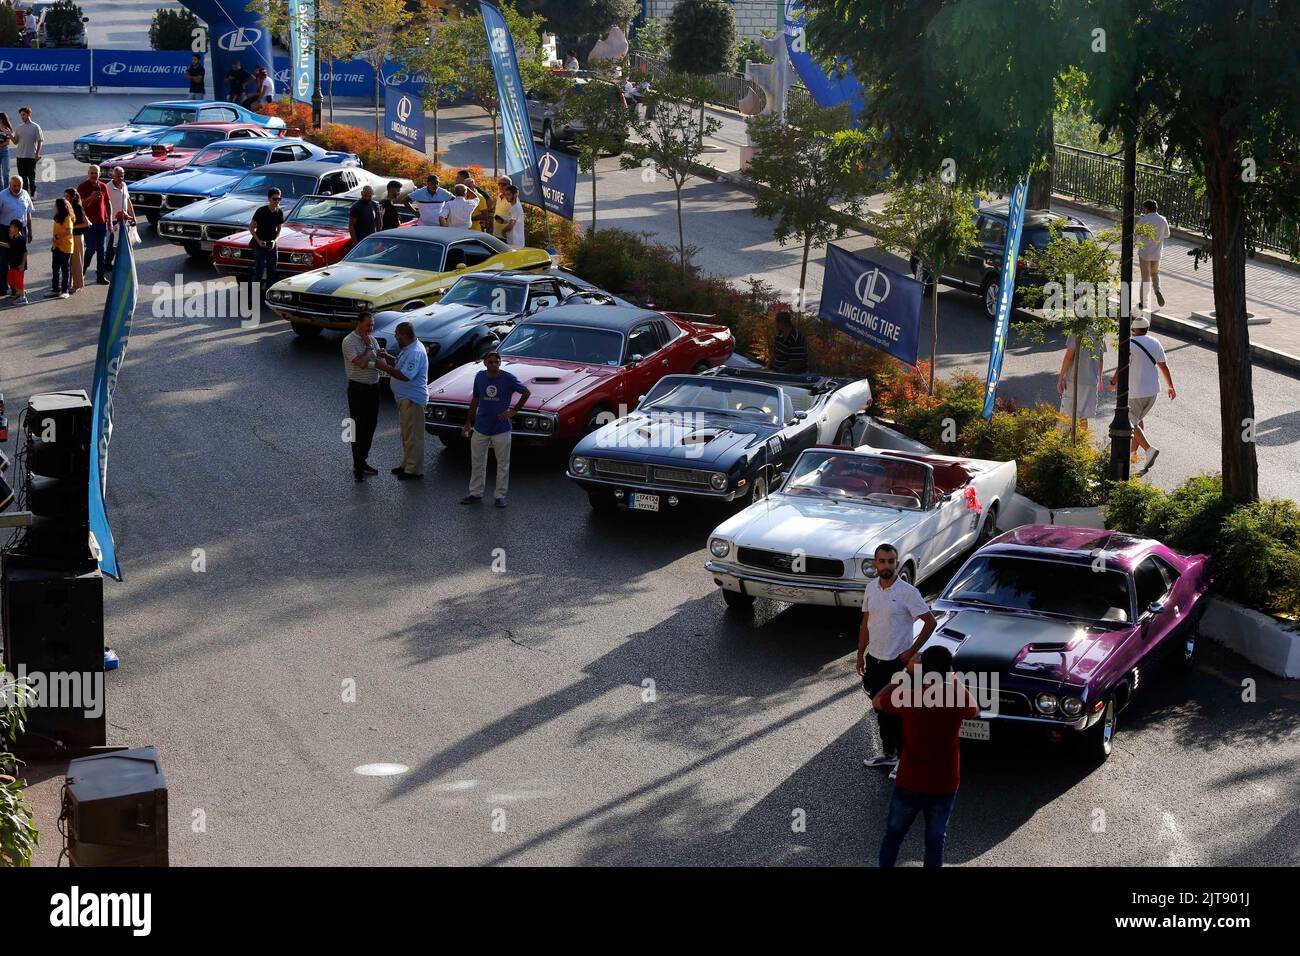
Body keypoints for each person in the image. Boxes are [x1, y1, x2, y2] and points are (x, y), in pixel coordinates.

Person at [872, 645, 978, 868]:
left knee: (894, 835)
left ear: (923, 668)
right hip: (944, 782)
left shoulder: (908, 695)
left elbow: (877, 701)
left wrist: (904, 674)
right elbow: (974, 709)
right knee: (935, 840)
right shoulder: (956, 698)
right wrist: (953, 676)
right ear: (948, 669)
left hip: (909, 780)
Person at [856, 543, 938, 777]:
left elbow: (929, 622)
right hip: (875, 659)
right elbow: (866, 624)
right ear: (875, 564)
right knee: (881, 709)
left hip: (897, 662)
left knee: (901, 713)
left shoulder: (908, 593)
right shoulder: (871, 588)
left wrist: (911, 652)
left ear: (896, 562)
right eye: (882, 561)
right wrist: (861, 654)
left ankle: (905, 759)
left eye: (891, 561)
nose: (887, 566)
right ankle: (889, 754)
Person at [460, 350, 530, 508]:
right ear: (485, 363)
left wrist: (513, 411)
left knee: (502, 464)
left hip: (501, 429)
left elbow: (525, 392)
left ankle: (500, 496)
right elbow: (475, 399)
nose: (493, 365)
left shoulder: (508, 378)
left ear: (500, 363)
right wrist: (468, 422)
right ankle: (475, 493)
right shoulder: (479, 376)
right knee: (477, 462)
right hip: (481, 427)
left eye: (496, 362)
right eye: (490, 362)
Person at [1109, 314, 1176, 472]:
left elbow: (1122, 367)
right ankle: (1132, 453)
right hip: (1152, 392)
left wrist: (1113, 382)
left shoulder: (1129, 343)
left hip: (1135, 392)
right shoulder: (1155, 342)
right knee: (1137, 421)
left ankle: (1149, 450)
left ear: (1133, 329)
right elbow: (1163, 366)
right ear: (1147, 329)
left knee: (1130, 422)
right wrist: (1171, 386)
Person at [375, 322, 428, 480]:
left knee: (413, 436)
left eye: (397, 334)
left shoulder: (415, 352)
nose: (395, 337)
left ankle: (413, 470)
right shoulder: (408, 349)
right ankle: (407, 464)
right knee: (406, 434)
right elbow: (400, 365)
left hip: (413, 400)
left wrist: (383, 367)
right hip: (404, 399)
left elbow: (405, 375)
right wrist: (388, 358)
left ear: (405, 335)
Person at [341, 312, 382, 482]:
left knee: (371, 425)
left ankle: (362, 459)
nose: (370, 328)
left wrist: (380, 354)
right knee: (357, 427)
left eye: (372, 325)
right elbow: (361, 363)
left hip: (374, 387)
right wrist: (369, 349)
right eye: (368, 325)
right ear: (359, 323)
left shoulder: (371, 339)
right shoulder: (348, 342)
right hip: (358, 388)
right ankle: (358, 466)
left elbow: (378, 359)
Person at [1057, 327, 1105, 424]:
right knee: (1083, 418)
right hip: (1091, 381)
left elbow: (1069, 357)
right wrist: (1099, 380)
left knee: (1066, 417)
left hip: (1074, 381)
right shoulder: (1099, 330)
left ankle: (1064, 439)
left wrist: (1060, 378)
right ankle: (1083, 439)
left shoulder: (1077, 329)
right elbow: (1100, 359)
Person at [77, 165, 111, 285]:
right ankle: (82, 271)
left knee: (101, 250)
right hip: (88, 224)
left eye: (96, 173)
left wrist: (110, 221)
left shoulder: (103, 186)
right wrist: (91, 197)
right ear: (88, 173)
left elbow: (108, 204)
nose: (93, 175)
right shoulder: (82, 187)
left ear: (99, 174)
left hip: (101, 223)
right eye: (91, 173)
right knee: (91, 248)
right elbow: (79, 206)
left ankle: (100, 276)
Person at [0, 175, 32, 298]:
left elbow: (28, 214)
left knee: (19, 262)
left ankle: (17, 288)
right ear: (10, 184)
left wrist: (30, 231)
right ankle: (2, 287)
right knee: (3, 260)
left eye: (19, 186)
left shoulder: (25, 194)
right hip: (5, 230)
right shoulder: (2, 196)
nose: (17, 188)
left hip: (21, 231)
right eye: (14, 186)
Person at [1136, 199, 1171, 310]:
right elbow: (1167, 234)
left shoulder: (1143, 220)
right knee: (1155, 273)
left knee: (1145, 278)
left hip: (1145, 253)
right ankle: (1157, 290)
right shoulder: (1162, 220)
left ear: (1146, 209)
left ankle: (1143, 302)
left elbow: (1136, 235)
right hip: (1157, 253)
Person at [249, 187, 284, 292]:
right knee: (259, 271)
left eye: (279, 199)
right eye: (274, 199)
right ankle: (252, 297)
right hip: (259, 244)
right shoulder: (261, 211)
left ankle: (268, 297)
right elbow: (251, 227)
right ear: (269, 199)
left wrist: (275, 241)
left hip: (271, 244)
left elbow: (279, 229)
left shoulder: (279, 212)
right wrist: (258, 241)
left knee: (272, 271)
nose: (277, 201)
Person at [103, 166, 135, 271]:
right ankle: (113, 264)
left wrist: (133, 216)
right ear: (113, 176)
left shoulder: (125, 185)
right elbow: (104, 204)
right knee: (115, 242)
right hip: (114, 220)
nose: (120, 178)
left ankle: (108, 263)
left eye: (122, 176)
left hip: (124, 219)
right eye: (117, 176)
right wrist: (107, 220)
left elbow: (128, 201)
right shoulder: (108, 187)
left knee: (117, 241)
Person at [10, 106, 42, 199]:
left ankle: (33, 193)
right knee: (22, 177)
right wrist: (9, 134)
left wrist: (37, 154)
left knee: (31, 177)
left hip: (31, 156)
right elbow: (15, 142)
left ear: (29, 114)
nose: (22, 117)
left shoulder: (35, 127)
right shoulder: (19, 128)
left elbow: (40, 141)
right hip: (20, 156)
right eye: (21, 115)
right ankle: (25, 195)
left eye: (24, 115)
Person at [64, 187, 88, 295]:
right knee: (70, 261)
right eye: (64, 196)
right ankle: (70, 283)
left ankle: (77, 285)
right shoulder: (68, 206)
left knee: (76, 261)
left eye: (67, 196)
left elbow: (86, 223)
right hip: (70, 236)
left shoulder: (78, 207)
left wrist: (72, 227)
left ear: (72, 197)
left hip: (77, 237)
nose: (65, 198)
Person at [48, 197, 72, 298]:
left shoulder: (67, 217)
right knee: (55, 268)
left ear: (59, 206)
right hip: (56, 246)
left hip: (65, 247)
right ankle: (55, 289)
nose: (54, 207)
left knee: (64, 269)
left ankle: (65, 290)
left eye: (55, 205)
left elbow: (69, 231)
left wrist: (57, 236)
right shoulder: (57, 216)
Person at [0, 219, 28, 305]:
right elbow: (9, 245)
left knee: (19, 281)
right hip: (13, 264)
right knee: (11, 279)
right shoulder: (14, 238)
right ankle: (20, 292)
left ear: (16, 228)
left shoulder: (21, 239)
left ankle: (23, 298)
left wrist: (23, 264)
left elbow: (25, 252)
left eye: (11, 226)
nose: (10, 228)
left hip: (19, 265)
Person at [502, 184, 525, 249]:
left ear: (515, 195)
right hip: (515, 242)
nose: (506, 197)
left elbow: (511, 224)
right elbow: (513, 221)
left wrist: (503, 231)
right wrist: (504, 221)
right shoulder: (515, 205)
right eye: (505, 194)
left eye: (508, 194)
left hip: (515, 243)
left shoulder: (515, 207)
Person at [491, 176, 513, 240]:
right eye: (499, 184)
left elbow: (515, 220)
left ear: (510, 186)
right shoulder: (499, 196)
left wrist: (504, 231)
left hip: (506, 236)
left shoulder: (513, 200)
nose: (501, 186)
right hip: (496, 234)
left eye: (504, 184)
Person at [0, 112, 12, 188]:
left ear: (1, 120)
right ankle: (1, 192)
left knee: (6, 173)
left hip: (4, 152)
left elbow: (8, 142)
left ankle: (7, 189)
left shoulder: (7, 129)